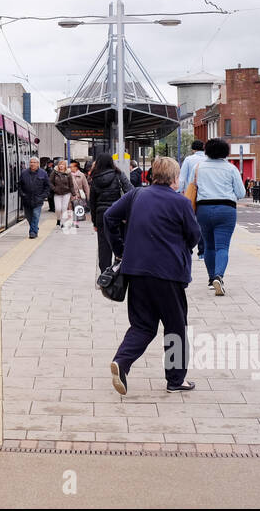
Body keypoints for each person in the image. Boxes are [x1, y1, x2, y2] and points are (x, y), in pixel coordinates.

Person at [104, 156, 201, 394]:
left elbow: (109, 217)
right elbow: (195, 236)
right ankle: (176, 380)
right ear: (175, 178)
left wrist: (120, 250)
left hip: (136, 271)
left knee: (142, 325)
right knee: (175, 327)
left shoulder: (136, 195)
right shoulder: (181, 203)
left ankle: (122, 362)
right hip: (168, 274)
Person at [193, 137, 248, 296]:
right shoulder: (231, 169)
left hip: (203, 209)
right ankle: (219, 276)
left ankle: (211, 279)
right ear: (225, 152)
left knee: (209, 245)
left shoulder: (199, 167)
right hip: (226, 209)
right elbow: (240, 193)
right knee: (222, 247)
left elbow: (193, 186)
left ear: (207, 151)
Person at [89, 155, 132, 272]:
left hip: (101, 215)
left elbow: (92, 202)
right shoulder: (118, 175)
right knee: (119, 243)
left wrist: (94, 221)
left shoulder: (94, 178)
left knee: (103, 247)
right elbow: (130, 191)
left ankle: (105, 274)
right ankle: (118, 272)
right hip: (117, 214)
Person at [18, 156, 50, 238]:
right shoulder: (24, 173)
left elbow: (47, 186)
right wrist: (22, 194)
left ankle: (33, 232)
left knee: (35, 215)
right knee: (29, 217)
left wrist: (43, 196)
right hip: (26, 199)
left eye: (34, 162)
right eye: (31, 162)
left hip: (38, 199)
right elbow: (19, 185)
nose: (32, 164)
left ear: (38, 164)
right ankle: (35, 227)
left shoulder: (43, 173)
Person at [50, 159, 75, 233]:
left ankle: (63, 223)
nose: (61, 166)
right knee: (58, 208)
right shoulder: (54, 172)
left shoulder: (68, 173)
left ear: (65, 166)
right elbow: (50, 182)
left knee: (64, 208)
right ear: (58, 165)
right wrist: (54, 189)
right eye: (60, 164)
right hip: (57, 193)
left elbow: (71, 184)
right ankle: (58, 219)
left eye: (63, 164)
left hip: (66, 193)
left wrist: (74, 194)